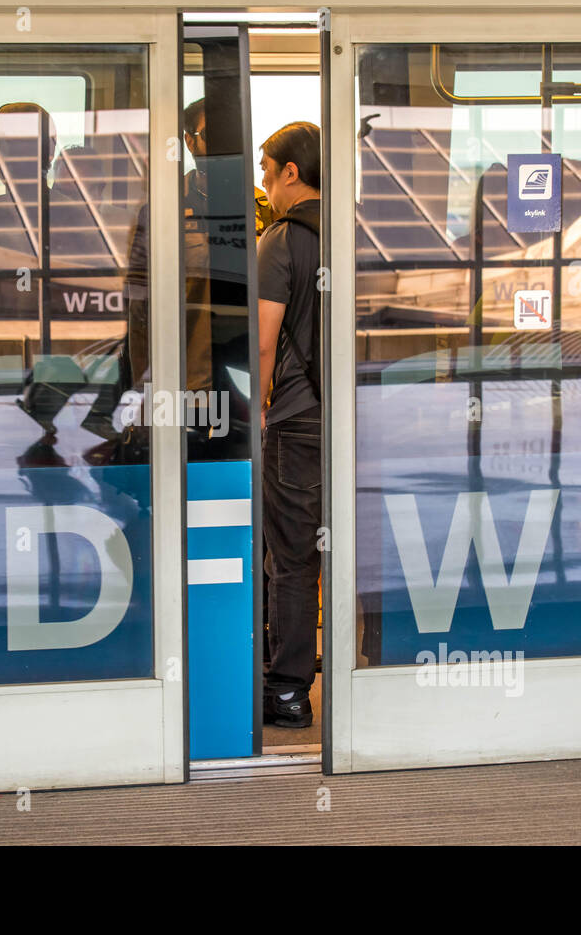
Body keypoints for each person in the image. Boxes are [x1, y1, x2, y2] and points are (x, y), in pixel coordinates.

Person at [256, 121, 323, 728]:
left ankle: (287, 691)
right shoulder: (354, 232)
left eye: (265, 171)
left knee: (294, 559)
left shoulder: (280, 239)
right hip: (356, 424)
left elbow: (261, 344)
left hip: (299, 423)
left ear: (290, 173)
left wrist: (249, 418)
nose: (263, 184)